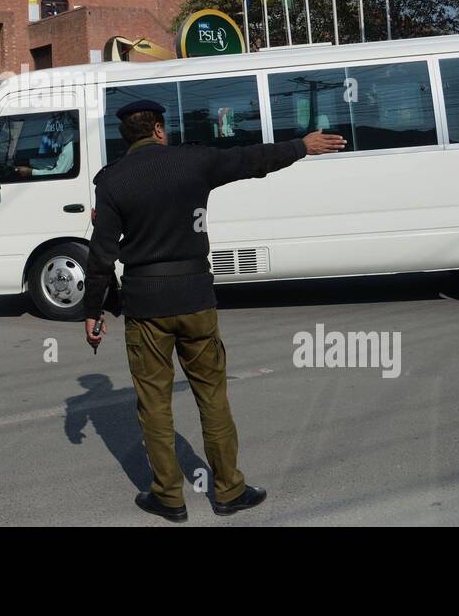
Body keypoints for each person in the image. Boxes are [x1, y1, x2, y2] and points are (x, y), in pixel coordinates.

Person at [84, 99, 345, 521]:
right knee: (212, 398)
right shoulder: (194, 162)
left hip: (145, 305)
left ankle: (168, 497)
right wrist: (302, 145)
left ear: (125, 137)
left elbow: (101, 255)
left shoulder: (112, 182)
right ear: (158, 130)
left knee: (154, 404)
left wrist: (93, 311)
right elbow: (252, 159)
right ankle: (228, 491)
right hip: (195, 299)